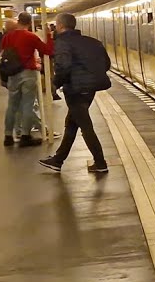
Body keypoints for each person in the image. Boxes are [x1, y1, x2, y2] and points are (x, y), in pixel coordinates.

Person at [38, 12, 111, 173]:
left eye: (56, 24)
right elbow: (106, 64)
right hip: (90, 89)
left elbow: (63, 67)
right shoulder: (93, 42)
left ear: (60, 26)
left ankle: (100, 163)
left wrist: (55, 84)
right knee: (72, 123)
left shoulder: (62, 43)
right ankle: (58, 160)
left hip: (76, 90)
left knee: (85, 125)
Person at [0, 12, 53, 147]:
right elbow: (48, 50)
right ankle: (25, 136)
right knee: (27, 105)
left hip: (12, 74)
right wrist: (48, 35)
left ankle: (8, 136)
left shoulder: (7, 37)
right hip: (28, 73)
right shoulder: (31, 36)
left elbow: (3, 53)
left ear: (18, 21)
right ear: (29, 23)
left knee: (12, 106)